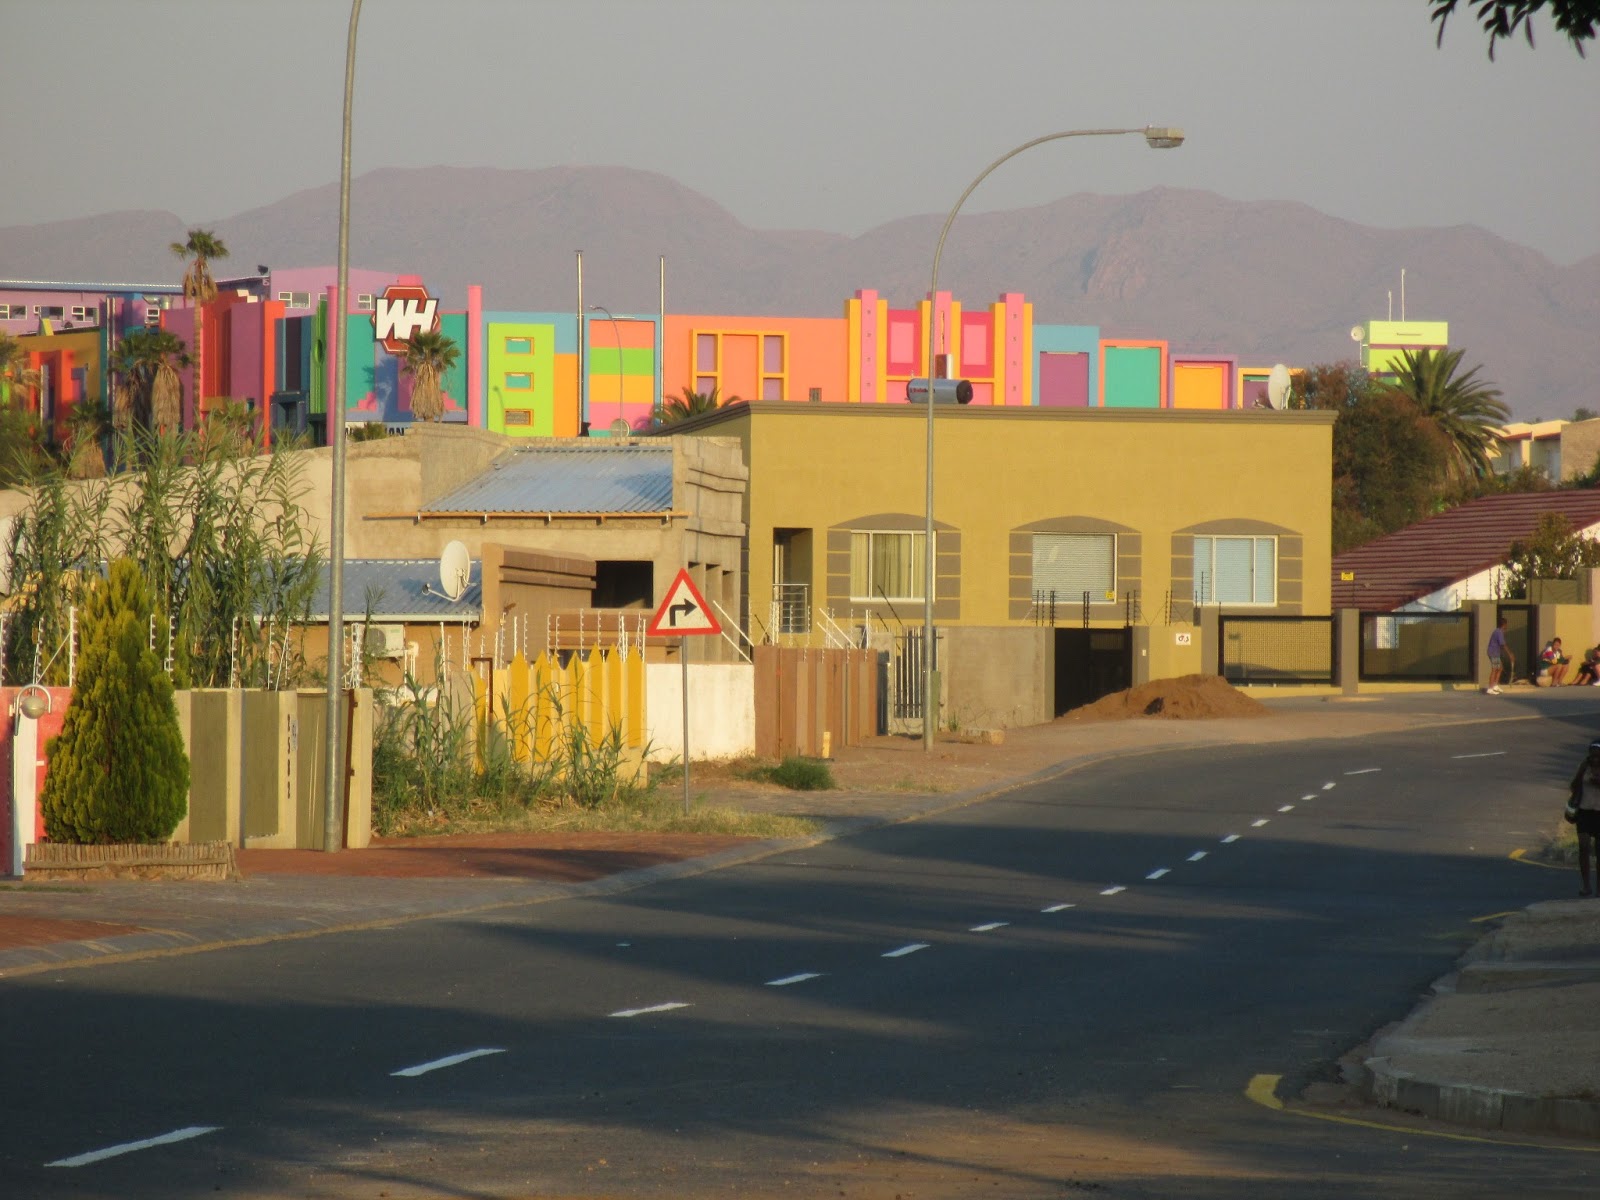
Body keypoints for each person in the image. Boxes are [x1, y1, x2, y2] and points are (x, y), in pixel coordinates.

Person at [1570, 741, 1600, 896]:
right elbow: (1573, 785)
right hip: (1583, 811)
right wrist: (1581, 773)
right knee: (1583, 848)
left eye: (1598, 755)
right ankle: (1586, 885)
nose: (1595, 759)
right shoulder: (1584, 766)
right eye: (1592, 755)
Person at [1485, 616, 1512, 695]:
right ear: (1504, 624)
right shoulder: (1499, 632)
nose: (1507, 626)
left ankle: (1495, 685)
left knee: (1500, 668)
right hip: (1493, 653)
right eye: (1506, 624)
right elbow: (1503, 644)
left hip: (1495, 652)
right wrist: (1510, 654)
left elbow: (1500, 644)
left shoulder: (1498, 631)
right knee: (1494, 669)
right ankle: (1490, 688)